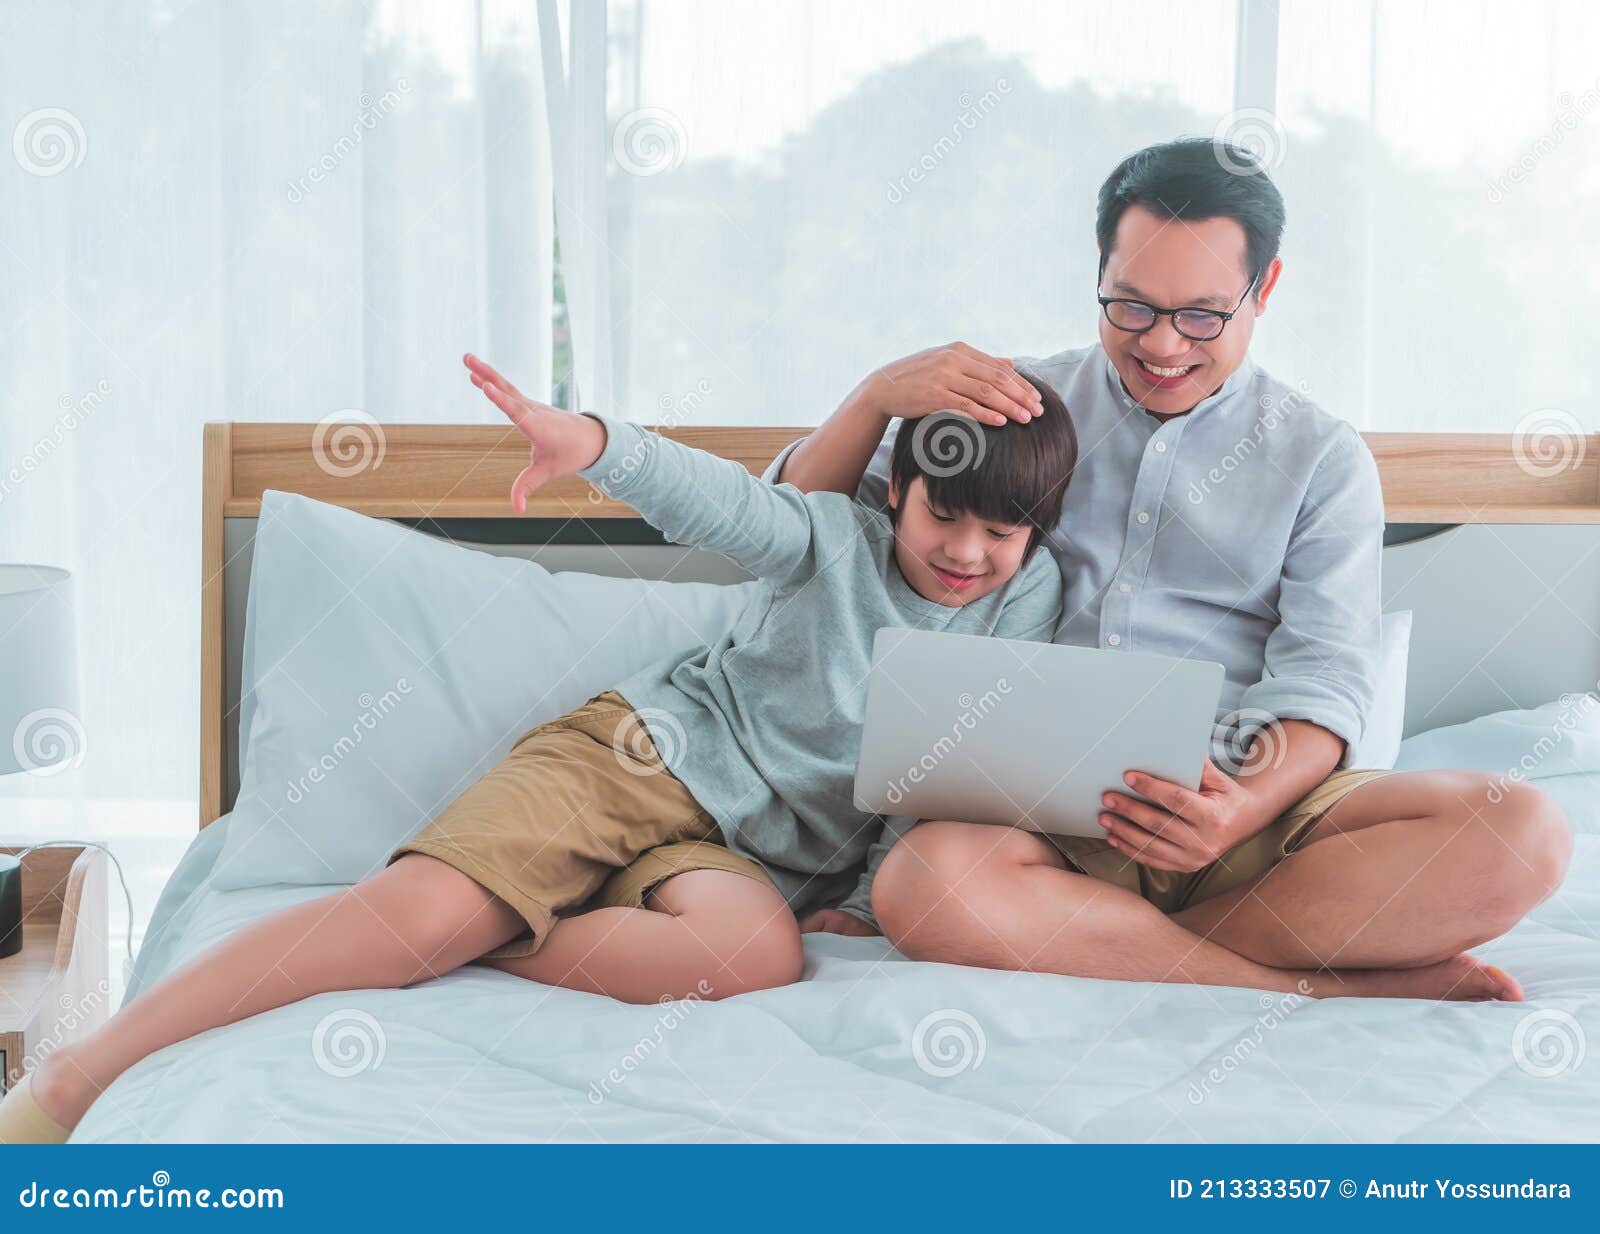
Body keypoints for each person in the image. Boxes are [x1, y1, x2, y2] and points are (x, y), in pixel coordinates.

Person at [0, 354, 1074, 1143]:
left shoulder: (1027, 601)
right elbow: (726, 503)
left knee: (756, 959)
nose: (968, 553)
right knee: (413, 916)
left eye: (1002, 533)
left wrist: (879, 879)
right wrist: (599, 445)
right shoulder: (827, 537)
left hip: (749, 861)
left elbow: (947, 760)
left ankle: (471, 930)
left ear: (1037, 532)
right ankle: (75, 1079)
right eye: (945, 518)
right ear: (900, 490)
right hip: (636, 759)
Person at [769, 138, 1572, 1003]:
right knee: (920, 885)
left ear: (1263, 291)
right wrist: (872, 396)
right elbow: (791, 535)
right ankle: (1311, 985)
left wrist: (1235, 809)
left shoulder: (1322, 457)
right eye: (1131, 306)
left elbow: (1327, 680)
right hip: (1034, 823)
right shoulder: (1011, 409)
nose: (1160, 345)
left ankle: (1125, 946)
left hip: (1242, 801)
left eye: (1201, 316)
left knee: (1525, 829)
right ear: (1100, 273)